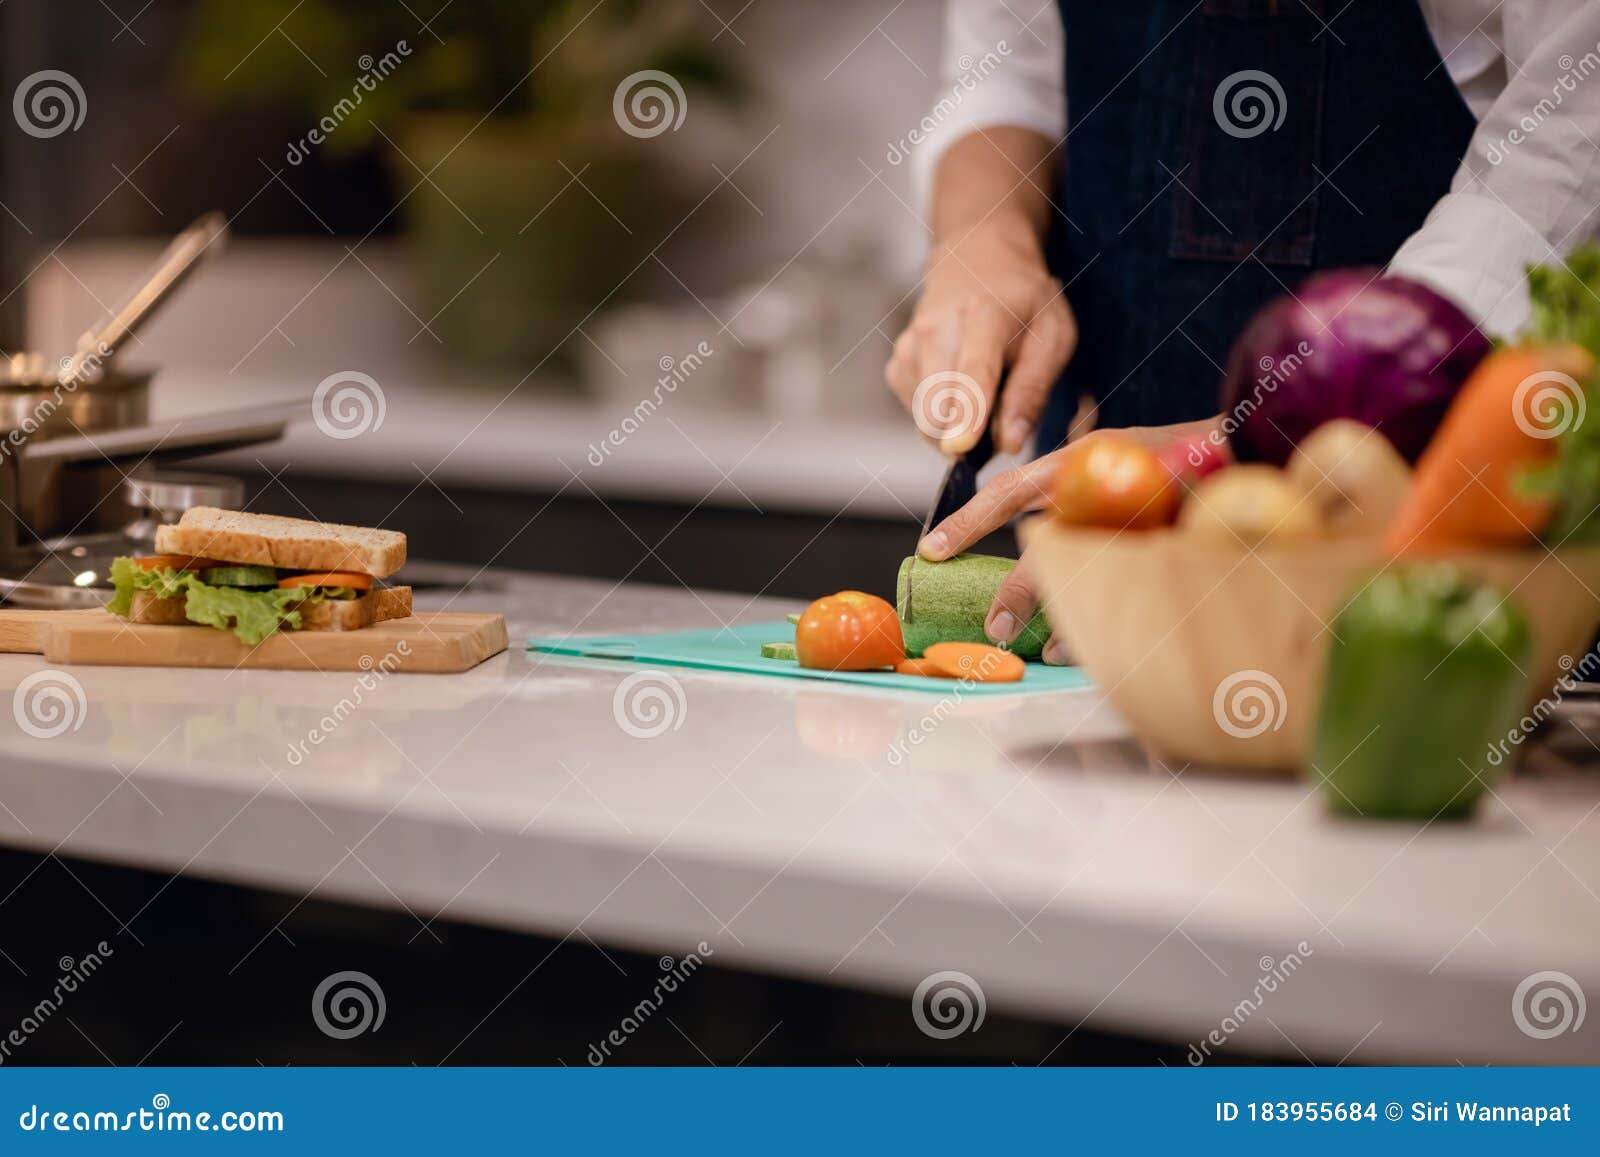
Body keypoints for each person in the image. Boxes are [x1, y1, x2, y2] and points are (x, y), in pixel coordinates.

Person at [886, 1, 1600, 664]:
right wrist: (979, 239)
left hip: (1441, 584)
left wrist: (1272, 446)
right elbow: (1007, 72)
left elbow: (1573, 117)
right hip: (1111, 561)